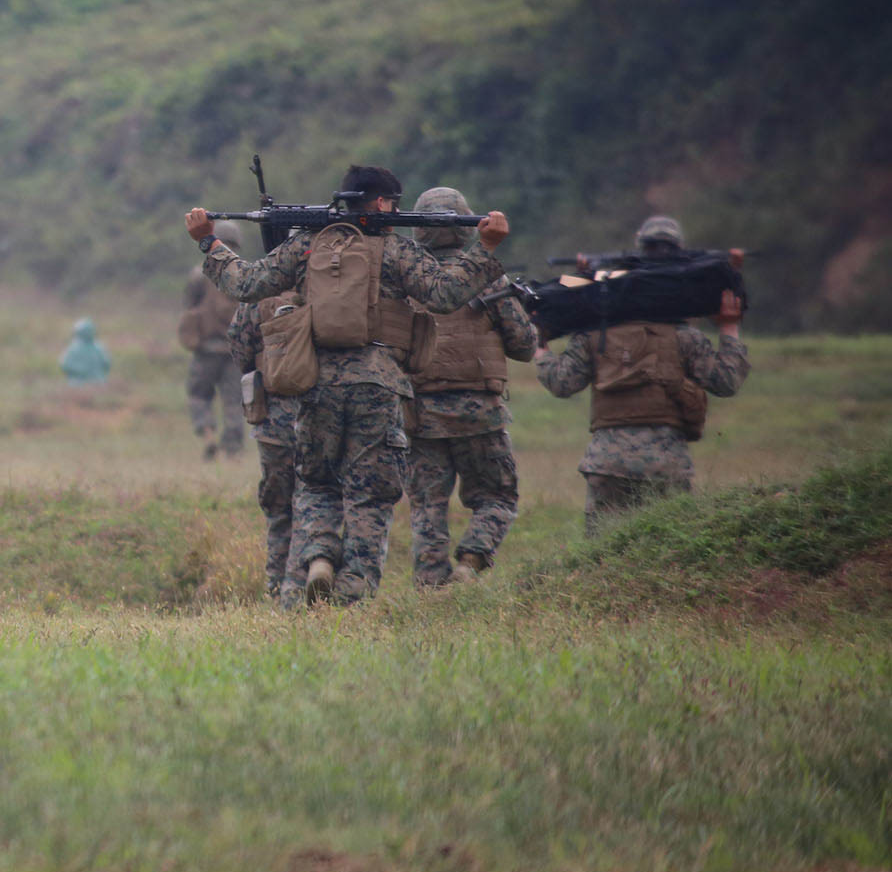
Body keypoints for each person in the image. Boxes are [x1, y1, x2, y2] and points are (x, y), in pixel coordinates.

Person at [184, 165, 510, 605]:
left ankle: (318, 557)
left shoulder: (305, 246)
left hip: (315, 385)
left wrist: (208, 241)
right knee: (370, 493)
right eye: (393, 204)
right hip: (378, 385)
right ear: (380, 203)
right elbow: (445, 294)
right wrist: (486, 249)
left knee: (317, 482)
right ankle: (353, 593)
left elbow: (247, 284)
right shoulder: (394, 250)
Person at [534, 215, 748, 534]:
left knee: (601, 561)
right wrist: (729, 326)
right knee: (670, 558)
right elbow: (726, 381)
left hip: (607, 463)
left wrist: (539, 348)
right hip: (668, 465)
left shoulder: (594, 335)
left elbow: (562, 383)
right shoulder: (685, 338)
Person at [404, 187, 538, 586]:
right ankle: (471, 561)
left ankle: (430, 585)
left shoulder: (405, 279)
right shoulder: (488, 278)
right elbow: (525, 346)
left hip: (419, 413)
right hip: (479, 412)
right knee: (497, 496)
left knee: (427, 504)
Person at [226, 296, 298, 602]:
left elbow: (239, 344)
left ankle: (277, 586)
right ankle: (315, 574)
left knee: (278, 507)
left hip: (272, 416)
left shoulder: (258, 293)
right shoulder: (321, 284)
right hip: (321, 416)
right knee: (321, 500)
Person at [181, 220, 247, 461]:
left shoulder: (199, 275)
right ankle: (233, 453)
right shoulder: (245, 272)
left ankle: (208, 434)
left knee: (199, 395)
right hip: (235, 349)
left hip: (205, 347)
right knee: (234, 401)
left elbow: (189, 306)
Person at [59, 317, 111, 384]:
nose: (88, 333)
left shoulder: (98, 348)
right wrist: (80, 369)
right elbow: (66, 365)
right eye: (86, 331)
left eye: (89, 331)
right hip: (78, 382)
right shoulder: (73, 349)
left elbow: (106, 363)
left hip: (97, 381)